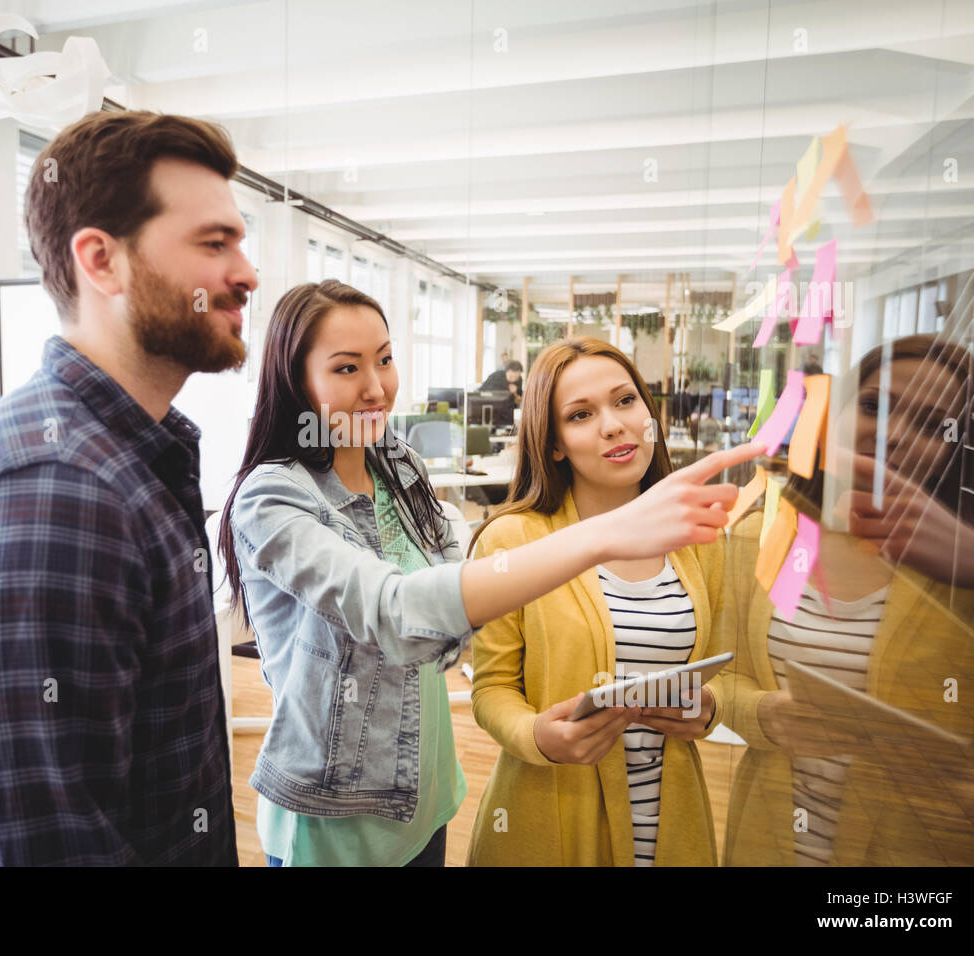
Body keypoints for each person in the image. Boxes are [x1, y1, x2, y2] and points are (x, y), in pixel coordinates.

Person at [219, 282, 762, 866]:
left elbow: (460, 606)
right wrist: (599, 535)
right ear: (295, 380)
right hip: (336, 812)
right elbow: (396, 613)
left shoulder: (397, 464)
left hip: (428, 793)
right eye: (346, 368)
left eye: (384, 358)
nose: (376, 387)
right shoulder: (271, 497)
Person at [0, 109, 257, 865]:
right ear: (102, 261)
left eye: (240, 240)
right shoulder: (55, 491)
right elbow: (53, 848)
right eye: (213, 243)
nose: (246, 273)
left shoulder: (127, 455)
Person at [720, 336, 974, 866]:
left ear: (957, 446)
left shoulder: (972, 576)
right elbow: (722, 674)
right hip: (771, 837)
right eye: (874, 405)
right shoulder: (769, 535)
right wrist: (762, 714)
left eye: (928, 425)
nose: (892, 435)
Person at [464, 339, 730, 866]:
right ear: (555, 442)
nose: (613, 425)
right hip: (552, 812)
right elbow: (491, 687)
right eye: (581, 414)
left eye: (626, 401)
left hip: (670, 816)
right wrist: (536, 734)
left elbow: (721, 672)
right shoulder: (512, 540)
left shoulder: (700, 537)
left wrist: (709, 708)